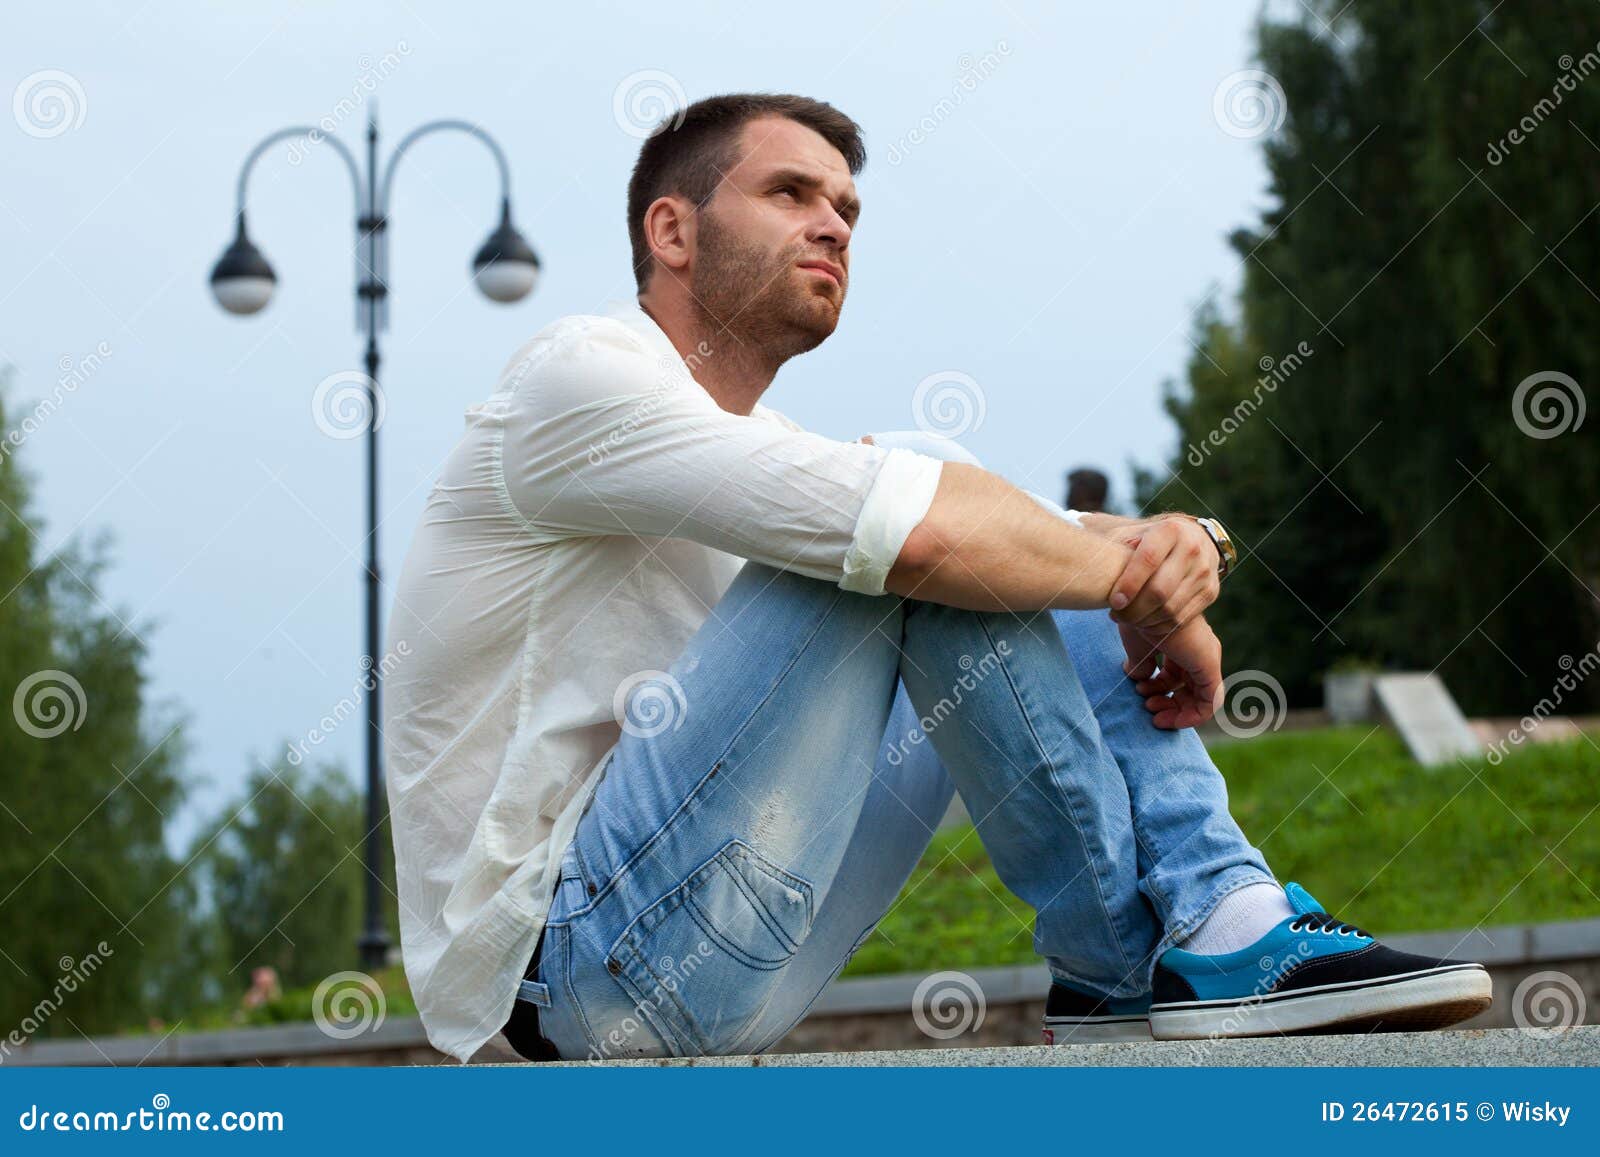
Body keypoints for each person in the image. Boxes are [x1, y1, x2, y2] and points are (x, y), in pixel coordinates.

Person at [381, 93, 1491, 1063]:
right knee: (919, 502)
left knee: (955, 520)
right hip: (573, 969)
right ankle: (1152, 952)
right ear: (670, 228)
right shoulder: (580, 379)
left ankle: (1210, 913)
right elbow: (918, 531)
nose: (832, 224)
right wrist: (1138, 584)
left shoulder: (756, 445)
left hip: (736, 943)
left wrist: (1187, 544)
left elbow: (988, 532)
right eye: (789, 192)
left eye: (847, 209)